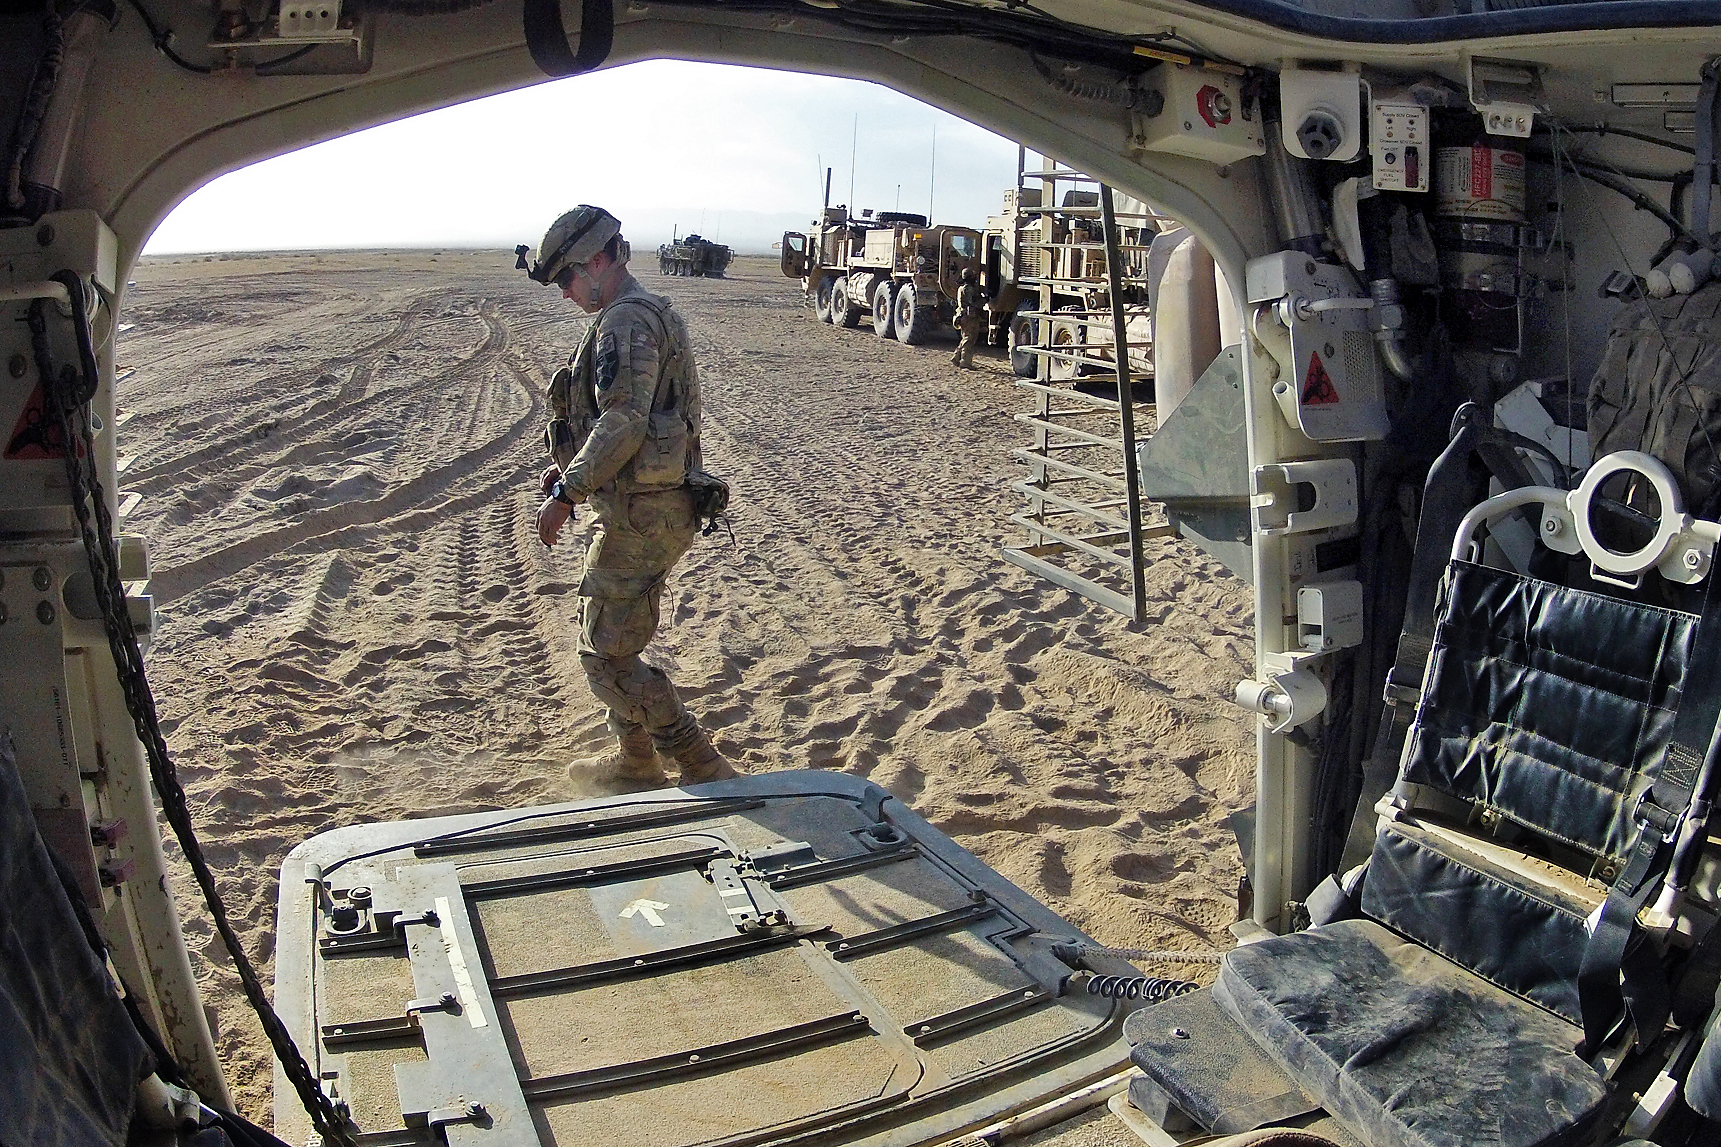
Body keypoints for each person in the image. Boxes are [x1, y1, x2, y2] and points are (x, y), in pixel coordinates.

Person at [516, 205, 736, 787]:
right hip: (646, 509)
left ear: (596, 262)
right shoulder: (640, 314)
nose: (565, 293)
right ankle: (637, 760)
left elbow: (624, 421)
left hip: (646, 517)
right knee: (606, 633)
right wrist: (569, 469)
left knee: (605, 655)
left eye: (566, 277)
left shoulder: (626, 323)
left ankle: (697, 761)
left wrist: (570, 490)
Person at [952, 268, 985, 370]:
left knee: (966, 338)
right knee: (969, 340)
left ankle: (956, 357)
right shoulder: (969, 289)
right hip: (969, 317)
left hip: (963, 316)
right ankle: (965, 362)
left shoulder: (961, 288)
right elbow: (973, 303)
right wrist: (984, 299)